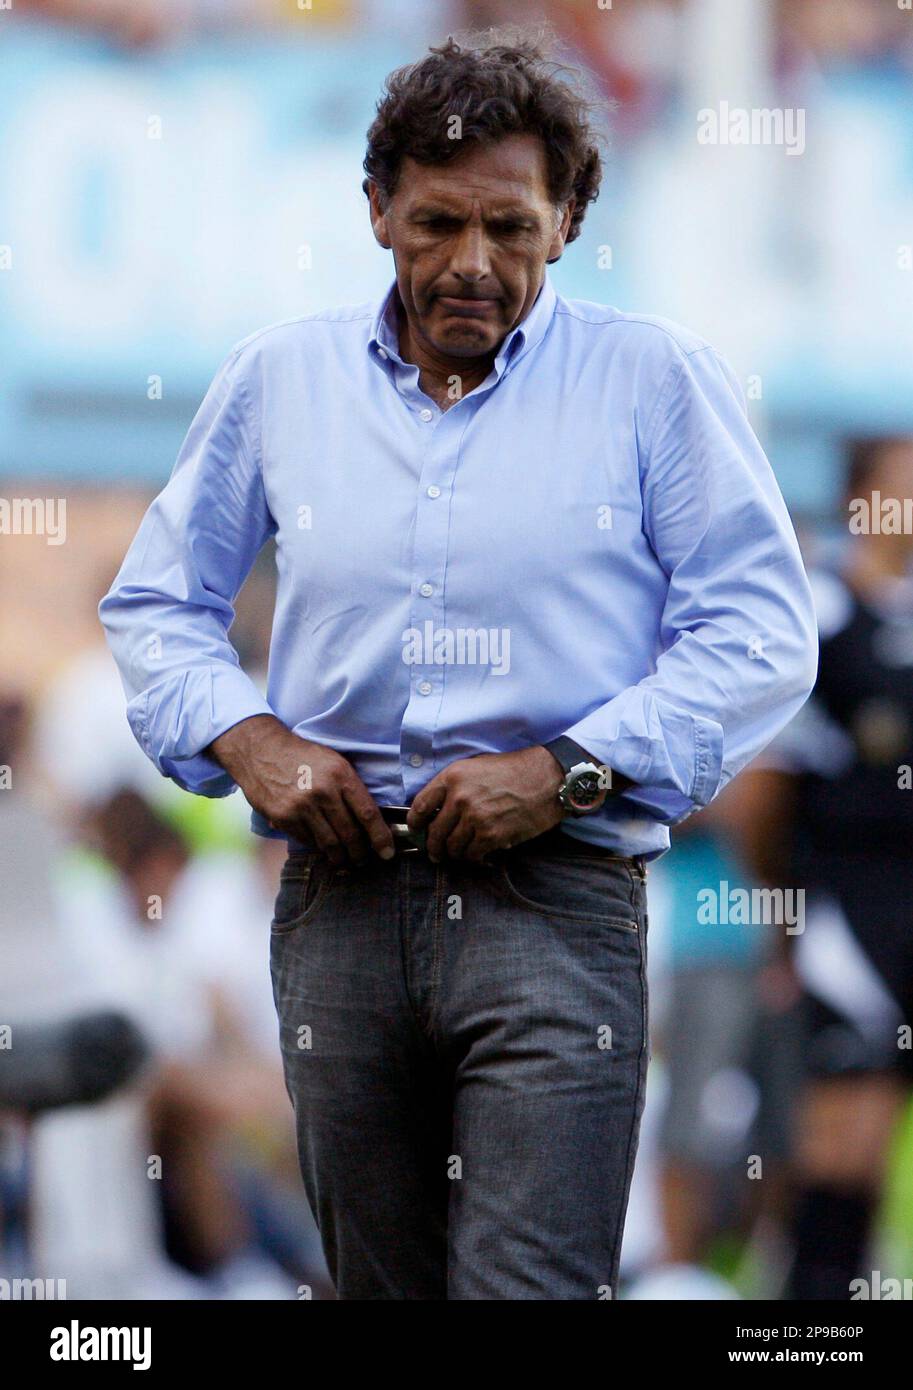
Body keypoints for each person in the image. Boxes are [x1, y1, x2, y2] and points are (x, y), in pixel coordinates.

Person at [99, 30, 817, 1299]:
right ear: (376, 209)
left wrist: (571, 771)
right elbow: (159, 603)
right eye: (436, 223)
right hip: (341, 901)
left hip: (556, 902)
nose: (473, 264)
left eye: (512, 227)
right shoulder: (278, 380)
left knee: (527, 1289)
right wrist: (253, 744)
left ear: (570, 221)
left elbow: (760, 635)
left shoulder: (653, 383)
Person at [738, 436, 913, 1300]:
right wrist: (784, 918)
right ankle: (807, 1322)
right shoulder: (816, 612)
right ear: (861, 497)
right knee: (843, 1133)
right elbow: (760, 794)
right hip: (851, 908)